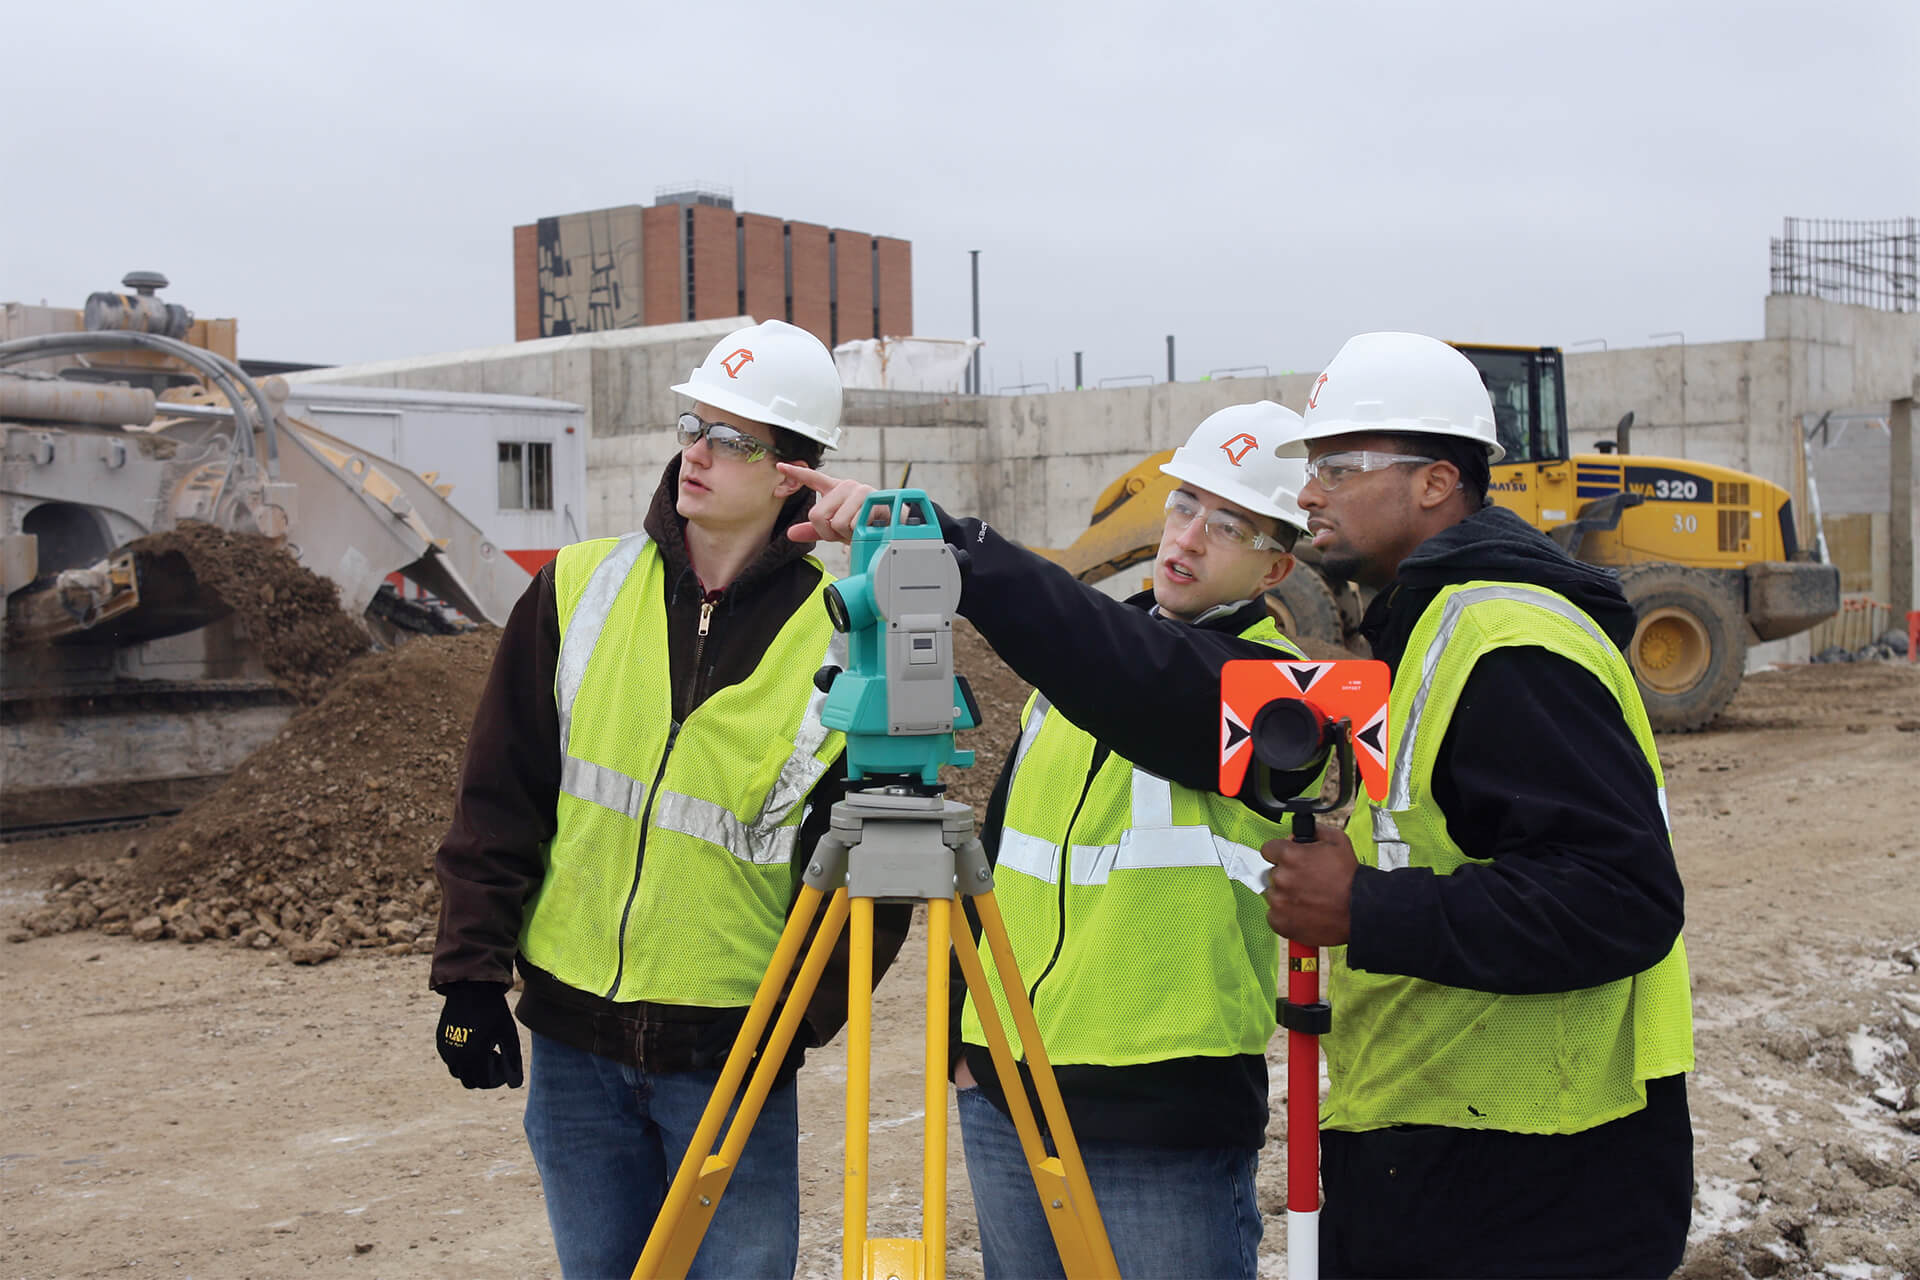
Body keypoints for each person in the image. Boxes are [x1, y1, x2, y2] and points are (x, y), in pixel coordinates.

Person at [783, 402, 1323, 1280]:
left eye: (1229, 526)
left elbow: (1134, 673)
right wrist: (968, 1047)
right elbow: (991, 861)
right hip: (1007, 1099)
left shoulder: (1274, 699)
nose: (1186, 538)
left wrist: (952, 543)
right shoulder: (1080, 681)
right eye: (1184, 506)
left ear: (1278, 565)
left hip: (1158, 1119)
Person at [430, 319, 909, 1280]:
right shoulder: (576, 589)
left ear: (794, 473)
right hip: (571, 1046)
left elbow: (880, 869)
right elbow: (500, 796)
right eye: (694, 424)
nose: (696, 452)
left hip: (728, 1058)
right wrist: (471, 974)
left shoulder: (850, 636)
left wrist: (798, 1024)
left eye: (734, 439)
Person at [1259, 332, 1695, 1278]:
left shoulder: (1507, 641)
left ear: (1435, 482)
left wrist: (1362, 907)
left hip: (1538, 1180)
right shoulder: (1430, 627)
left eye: (1336, 466)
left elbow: (1622, 897)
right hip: (1452, 1145)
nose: (1306, 495)